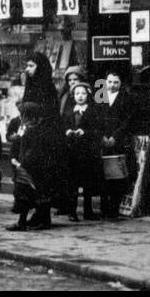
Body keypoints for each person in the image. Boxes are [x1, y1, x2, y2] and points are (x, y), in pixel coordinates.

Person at [6, 100, 67, 231]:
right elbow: (18, 146)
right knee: (30, 195)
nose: (22, 119)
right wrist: (14, 158)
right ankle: (37, 220)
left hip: (34, 169)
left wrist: (23, 162)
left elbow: (34, 151)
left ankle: (33, 221)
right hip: (28, 167)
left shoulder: (36, 131)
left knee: (33, 195)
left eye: (24, 116)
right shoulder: (28, 129)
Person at [62, 82, 103, 222]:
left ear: (88, 95)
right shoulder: (68, 112)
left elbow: (98, 130)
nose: (80, 96)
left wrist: (85, 132)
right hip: (72, 152)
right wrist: (67, 131)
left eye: (83, 93)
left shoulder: (93, 111)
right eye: (77, 93)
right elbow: (62, 127)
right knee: (72, 183)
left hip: (87, 152)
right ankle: (72, 211)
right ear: (73, 96)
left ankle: (88, 211)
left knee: (88, 183)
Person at [100, 71, 135, 219]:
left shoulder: (126, 99)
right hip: (103, 140)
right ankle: (104, 208)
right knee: (103, 175)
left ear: (121, 84)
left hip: (119, 141)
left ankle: (114, 208)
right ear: (105, 82)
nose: (112, 85)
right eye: (110, 82)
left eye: (116, 82)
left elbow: (127, 120)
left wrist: (115, 136)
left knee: (117, 175)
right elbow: (96, 118)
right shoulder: (100, 98)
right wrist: (102, 136)